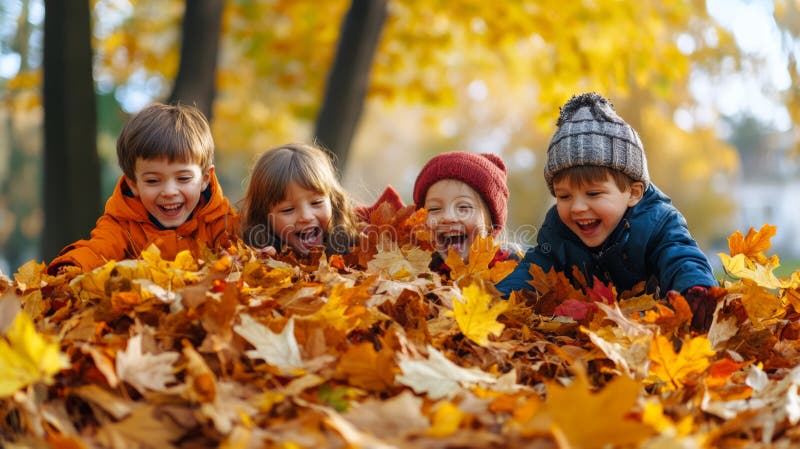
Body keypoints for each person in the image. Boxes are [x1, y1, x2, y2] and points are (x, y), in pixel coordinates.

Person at [495, 92, 718, 330]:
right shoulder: (557, 230)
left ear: (633, 193)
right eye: (564, 196)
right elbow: (533, 268)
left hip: (646, 329)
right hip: (589, 332)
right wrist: (497, 301)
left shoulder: (658, 222)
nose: (578, 207)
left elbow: (681, 257)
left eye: (593, 194)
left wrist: (695, 289)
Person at [47, 103, 239, 274]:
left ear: (205, 179)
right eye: (153, 181)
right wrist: (72, 267)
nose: (170, 191)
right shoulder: (122, 224)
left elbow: (247, 245)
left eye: (183, 178)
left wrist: (248, 255)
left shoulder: (219, 221)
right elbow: (98, 249)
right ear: (133, 184)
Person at [239, 143, 359, 256]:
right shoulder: (250, 260)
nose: (306, 217)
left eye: (316, 202)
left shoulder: (359, 247)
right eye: (288, 209)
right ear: (264, 217)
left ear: (333, 202)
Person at [413, 151, 516, 277]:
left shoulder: (516, 272)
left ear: (491, 223)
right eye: (434, 209)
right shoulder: (416, 278)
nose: (448, 217)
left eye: (463, 207)